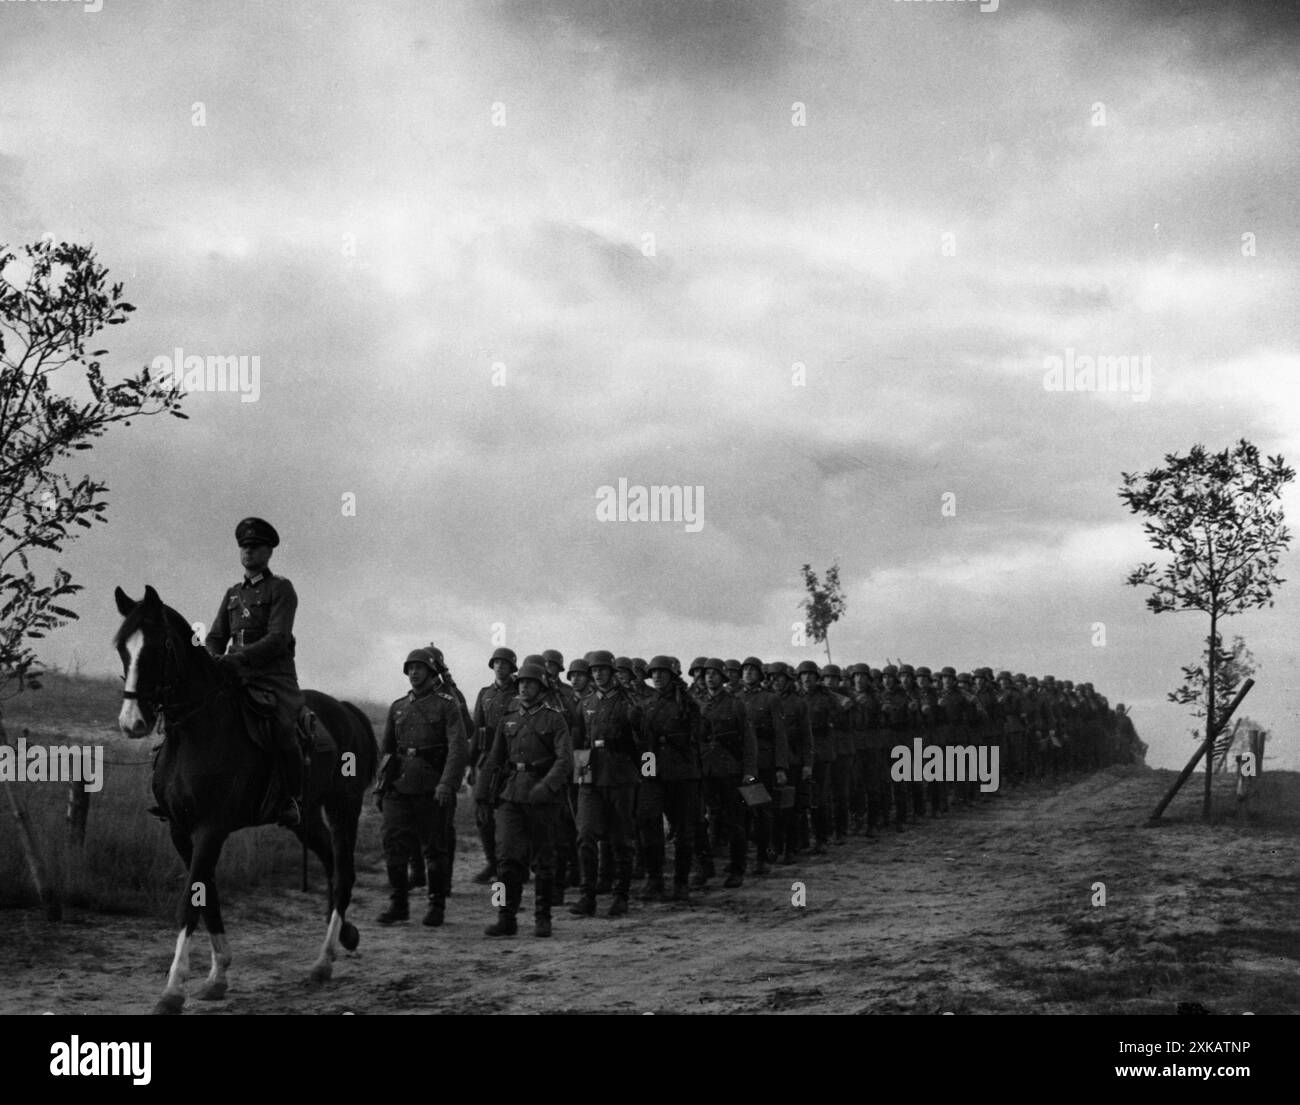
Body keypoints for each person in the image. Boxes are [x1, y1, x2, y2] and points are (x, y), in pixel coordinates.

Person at [204, 516, 304, 829]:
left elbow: (278, 638)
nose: (248, 552)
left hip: (272, 677)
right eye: (244, 547)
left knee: (283, 727)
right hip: (233, 674)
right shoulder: (233, 593)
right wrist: (212, 660)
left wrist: (239, 658)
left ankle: (289, 799)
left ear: (268, 552)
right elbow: (216, 636)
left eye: (255, 547)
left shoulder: (281, 589)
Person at [374, 647, 468, 926]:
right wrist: (380, 786)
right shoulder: (398, 706)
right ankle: (399, 904)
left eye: (419, 668)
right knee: (393, 844)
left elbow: (458, 748)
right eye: (410, 668)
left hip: (432, 787)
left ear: (431, 672)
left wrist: (447, 783)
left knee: (435, 849)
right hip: (399, 786)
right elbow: (387, 752)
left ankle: (436, 905)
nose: (414, 672)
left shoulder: (447, 704)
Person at [481, 661, 573, 938]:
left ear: (542, 688)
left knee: (544, 858)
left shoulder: (554, 718)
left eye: (530, 683)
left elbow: (564, 759)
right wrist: (483, 795)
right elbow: (494, 759)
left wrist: (547, 786)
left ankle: (543, 916)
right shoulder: (508, 717)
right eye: (521, 682)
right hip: (510, 794)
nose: (523, 686)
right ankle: (505, 916)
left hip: (542, 797)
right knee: (506, 857)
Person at [569, 651, 643, 918]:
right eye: (594, 670)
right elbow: (578, 741)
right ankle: (587, 896)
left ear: (612, 672)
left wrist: (647, 776)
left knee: (621, 838)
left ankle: (621, 895)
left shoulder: (630, 703)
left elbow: (646, 744)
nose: (598, 674)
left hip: (622, 776)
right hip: (590, 776)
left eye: (603, 670)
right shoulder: (585, 703)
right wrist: (580, 778)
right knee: (585, 834)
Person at [471, 647, 519, 885]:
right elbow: (476, 729)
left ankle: (511, 863)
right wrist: (471, 766)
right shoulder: (485, 694)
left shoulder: (520, 691)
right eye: (496, 663)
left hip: (512, 760)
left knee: (512, 813)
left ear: (512, 667)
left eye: (504, 663)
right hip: (488, 761)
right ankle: (492, 861)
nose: (500, 667)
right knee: (483, 813)